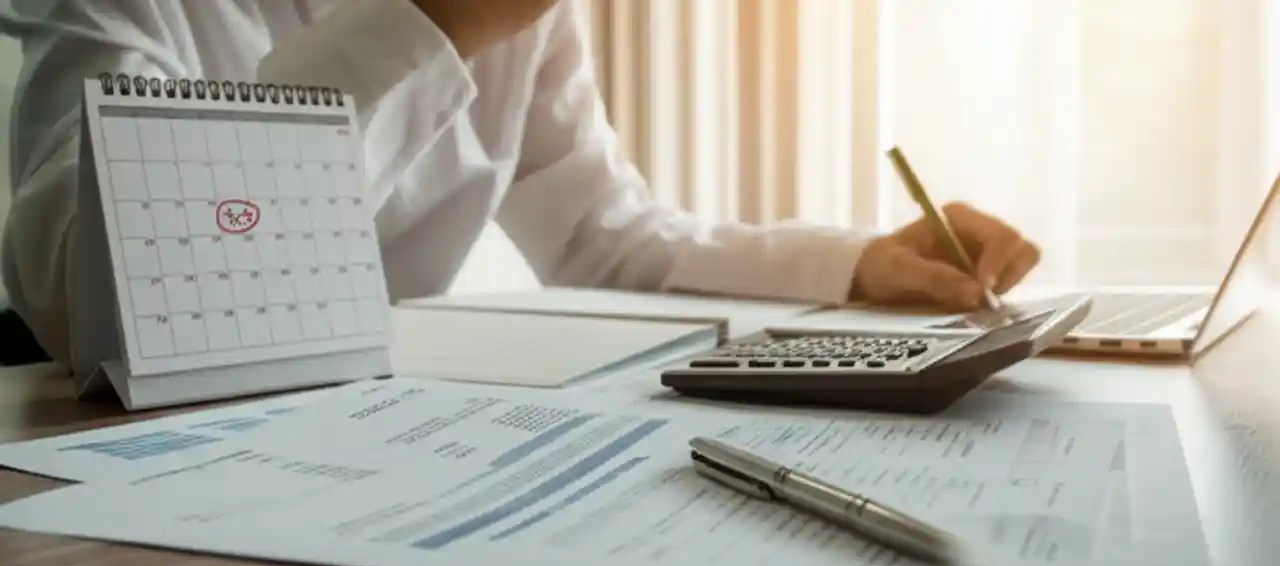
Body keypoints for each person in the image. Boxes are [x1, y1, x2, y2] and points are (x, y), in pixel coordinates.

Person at [0, 0, 1041, 363]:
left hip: (380, 454)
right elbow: (86, 294)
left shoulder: (531, 19)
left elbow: (602, 236)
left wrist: (857, 263)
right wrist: (430, 20)